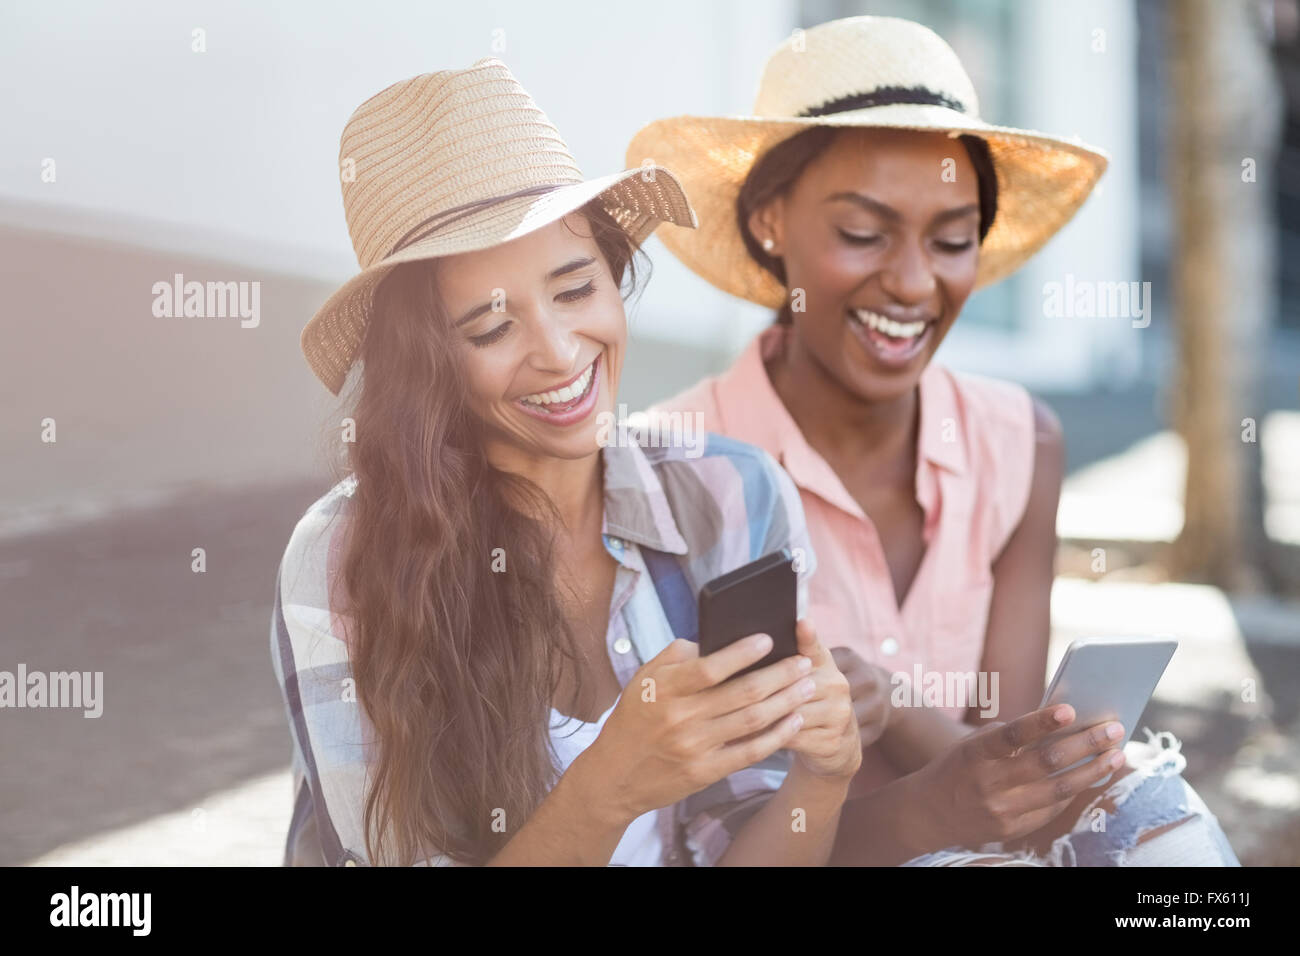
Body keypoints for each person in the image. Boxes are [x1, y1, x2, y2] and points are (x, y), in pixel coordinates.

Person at [635, 16, 1240, 865]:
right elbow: (684, 831)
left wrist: (906, 715)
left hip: (989, 849)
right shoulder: (674, 467)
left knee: (1167, 836)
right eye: (862, 233)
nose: (916, 283)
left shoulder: (1019, 443)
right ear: (771, 221)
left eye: (952, 239)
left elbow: (1006, 755)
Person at [270, 58, 860, 867]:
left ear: (616, 281)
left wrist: (822, 782)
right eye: (489, 328)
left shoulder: (730, 491)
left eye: (577, 289)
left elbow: (744, 836)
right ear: (425, 365)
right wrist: (610, 784)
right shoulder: (344, 556)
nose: (558, 353)